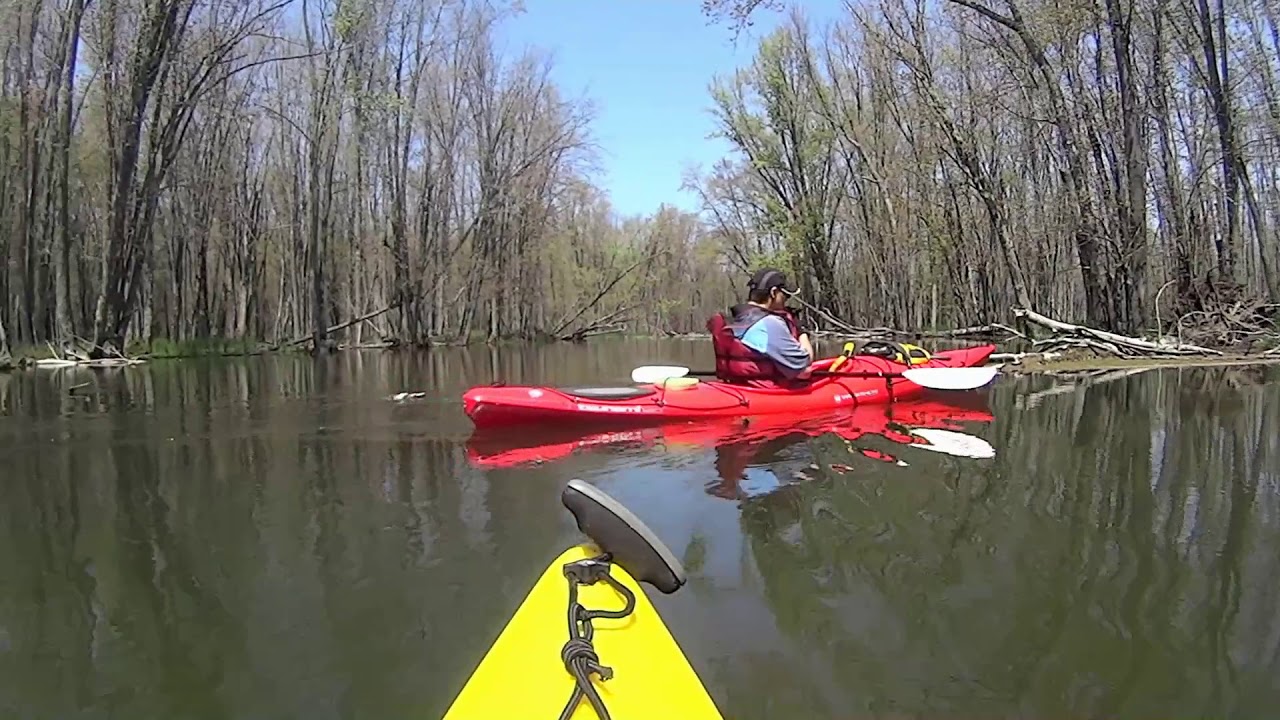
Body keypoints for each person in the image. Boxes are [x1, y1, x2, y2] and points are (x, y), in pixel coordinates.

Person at [706, 267, 815, 387]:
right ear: (773, 293)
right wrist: (801, 330)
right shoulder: (770, 323)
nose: (786, 301)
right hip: (763, 393)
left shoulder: (733, 319)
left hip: (734, 386)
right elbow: (803, 365)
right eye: (785, 295)